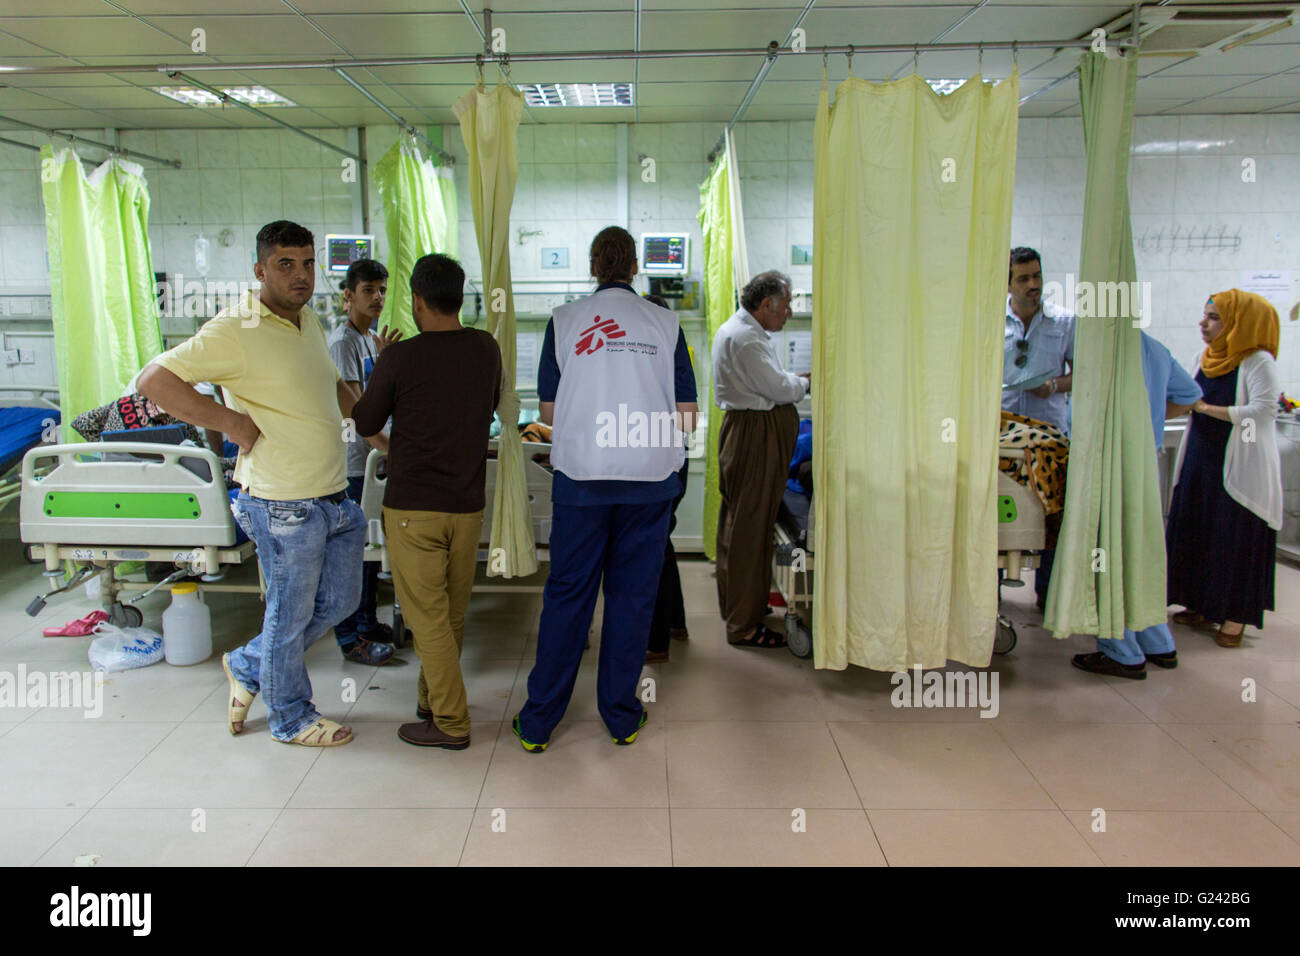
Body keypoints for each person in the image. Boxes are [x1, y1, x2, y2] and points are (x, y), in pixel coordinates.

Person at [138, 220, 366, 747]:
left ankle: (246, 663)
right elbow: (155, 380)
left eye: (308, 263)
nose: (301, 275)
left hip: (333, 496)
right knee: (289, 616)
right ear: (260, 270)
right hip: (281, 501)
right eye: (286, 265)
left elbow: (330, 386)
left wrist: (379, 434)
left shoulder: (308, 320)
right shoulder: (234, 328)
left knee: (340, 602)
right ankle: (289, 716)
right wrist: (231, 423)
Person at [513, 226, 698, 751]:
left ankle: (539, 721)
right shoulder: (666, 322)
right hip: (649, 483)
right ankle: (620, 716)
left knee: (568, 596)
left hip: (582, 483)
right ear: (635, 266)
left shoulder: (565, 320)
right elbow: (687, 415)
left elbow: (548, 413)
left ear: (593, 266)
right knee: (631, 600)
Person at [353, 254, 501, 750]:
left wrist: (382, 365)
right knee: (450, 615)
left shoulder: (401, 357)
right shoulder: (486, 348)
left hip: (414, 506)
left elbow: (365, 419)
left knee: (426, 620)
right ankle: (430, 702)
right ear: (460, 299)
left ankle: (451, 723)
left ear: (417, 301)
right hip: (466, 506)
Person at [1071, 331, 1201, 678]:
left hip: (1111, 466)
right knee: (1141, 555)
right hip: (1145, 463)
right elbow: (1189, 394)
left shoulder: (1102, 348)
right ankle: (1159, 642)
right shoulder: (1155, 348)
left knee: (1110, 559)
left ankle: (1122, 651)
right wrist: (1150, 422)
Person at [1165, 290, 1282, 648]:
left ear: (1239, 322)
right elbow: (1185, 397)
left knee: (1233, 535)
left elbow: (1264, 410)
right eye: (1205, 316)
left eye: (1214, 317)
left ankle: (1234, 616)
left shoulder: (1257, 361)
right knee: (1198, 528)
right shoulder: (1206, 357)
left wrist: (1207, 410)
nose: (1204, 323)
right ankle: (1199, 603)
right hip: (1202, 457)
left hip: (1239, 462)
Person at [711, 271, 807, 648]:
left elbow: (769, 382)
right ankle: (744, 626)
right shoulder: (747, 338)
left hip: (747, 432)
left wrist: (788, 381)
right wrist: (803, 383)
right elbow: (778, 388)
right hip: (755, 437)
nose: (789, 313)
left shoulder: (739, 331)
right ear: (765, 304)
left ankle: (738, 607)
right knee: (750, 532)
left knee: (738, 526)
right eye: (785, 305)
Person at [328, 258, 401, 665]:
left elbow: (378, 397)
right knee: (351, 553)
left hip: (370, 458)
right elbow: (355, 410)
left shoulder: (368, 339)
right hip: (354, 462)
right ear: (348, 296)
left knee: (369, 547)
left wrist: (387, 359)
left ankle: (368, 622)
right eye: (369, 290)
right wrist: (388, 447)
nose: (377, 297)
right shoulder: (343, 343)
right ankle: (350, 638)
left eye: (382, 290)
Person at [1002, 247, 1075, 610]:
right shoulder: (990, 322)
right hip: (1004, 437)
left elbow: (1081, 374)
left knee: (1054, 515)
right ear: (1007, 283)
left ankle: (1049, 594)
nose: (1033, 285)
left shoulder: (1064, 323)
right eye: (1023, 278)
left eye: (1037, 276)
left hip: (1049, 437)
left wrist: (1055, 386)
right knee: (1000, 513)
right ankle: (990, 592)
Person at [643, 293, 691, 664]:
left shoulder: (656, 354)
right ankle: (676, 623)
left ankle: (656, 642)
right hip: (675, 459)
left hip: (662, 462)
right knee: (663, 541)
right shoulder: (675, 353)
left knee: (651, 548)